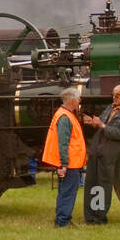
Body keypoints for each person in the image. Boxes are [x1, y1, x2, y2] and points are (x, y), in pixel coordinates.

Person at [82, 83, 120, 224]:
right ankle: (89, 217)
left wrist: (101, 126)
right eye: (113, 95)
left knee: (102, 185)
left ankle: (99, 217)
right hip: (96, 149)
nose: (114, 98)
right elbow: (102, 121)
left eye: (117, 95)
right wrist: (92, 122)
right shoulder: (111, 107)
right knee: (91, 183)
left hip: (109, 152)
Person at [41, 86, 86, 227]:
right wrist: (64, 165)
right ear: (72, 100)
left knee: (64, 192)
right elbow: (63, 143)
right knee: (67, 193)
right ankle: (62, 222)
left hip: (70, 163)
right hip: (70, 164)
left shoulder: (64, 115)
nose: (80, 101)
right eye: (78, 98)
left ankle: (63, 219)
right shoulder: (65, 117)